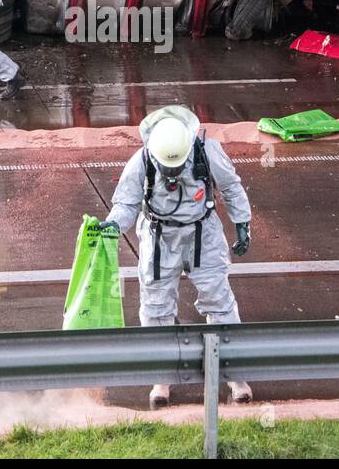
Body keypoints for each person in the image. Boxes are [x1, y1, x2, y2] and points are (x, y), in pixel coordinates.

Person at [97, 104, 254, 408]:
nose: (172, 173)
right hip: (159, 239)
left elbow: (231, 187)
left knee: (219, 300)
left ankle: (235, 374)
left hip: (202, 235)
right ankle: (162, 376)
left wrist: (242, 224)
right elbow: (126, 204)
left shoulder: (207, 150)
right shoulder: (141, 160)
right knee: (155, 308)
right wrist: (113, 226)